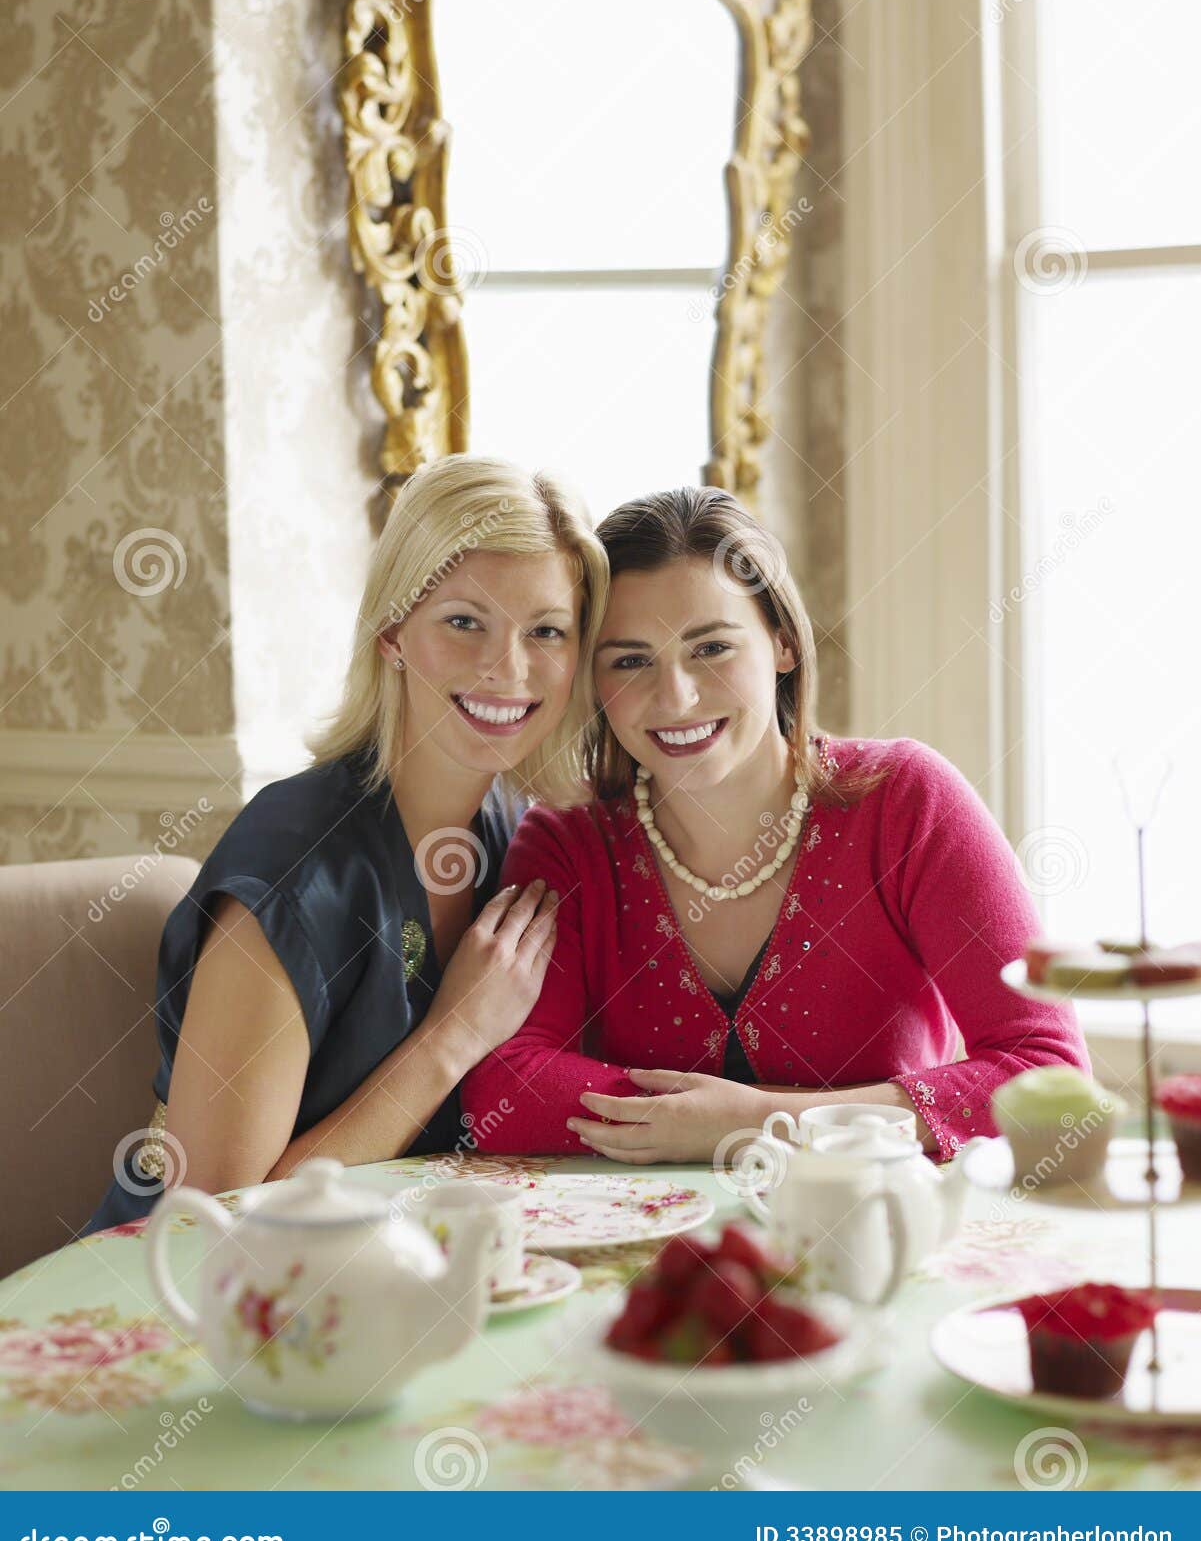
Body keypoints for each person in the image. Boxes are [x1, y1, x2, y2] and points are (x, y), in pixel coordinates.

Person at [461, 486, 1088, 1161]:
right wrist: (703, 1122)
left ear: (783, 643)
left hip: (878, 1222)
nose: (675, 696)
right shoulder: (566, 842)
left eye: (711, 648)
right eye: (631, 660)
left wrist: (764, 1121)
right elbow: (503, 1091)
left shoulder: (906, 803)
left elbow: (1049, 1080)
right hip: (647, 1232)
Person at [83, 456, 607, 1230]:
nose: (508, 667)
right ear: (393, 632)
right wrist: (455, 1033)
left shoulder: (516, 833)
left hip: (395, 1269)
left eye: (546, 631)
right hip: (193, 1283)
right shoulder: (295, 866)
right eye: (464, 622)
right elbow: (217, 1215)